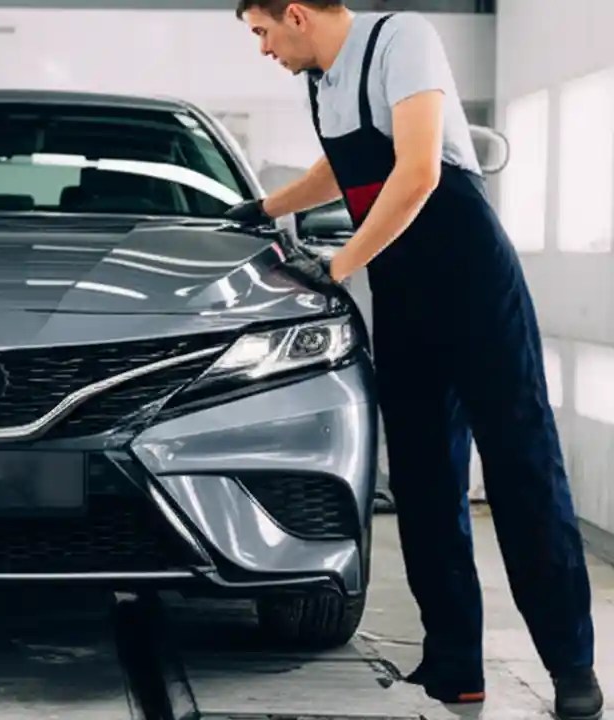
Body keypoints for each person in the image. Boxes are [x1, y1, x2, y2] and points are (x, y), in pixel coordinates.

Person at [225, 2, 605, 719]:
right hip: (402, 289)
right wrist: (264, 206)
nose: (263, 48)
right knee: (427, 485)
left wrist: (338, 266)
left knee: (523, 470)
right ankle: (455, 664)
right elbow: (340, 169)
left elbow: (419, 171)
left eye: (262, 31)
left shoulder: (401, 40)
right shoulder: (323, 78)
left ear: (297, 15)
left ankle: (571, 664)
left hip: (470, 277)